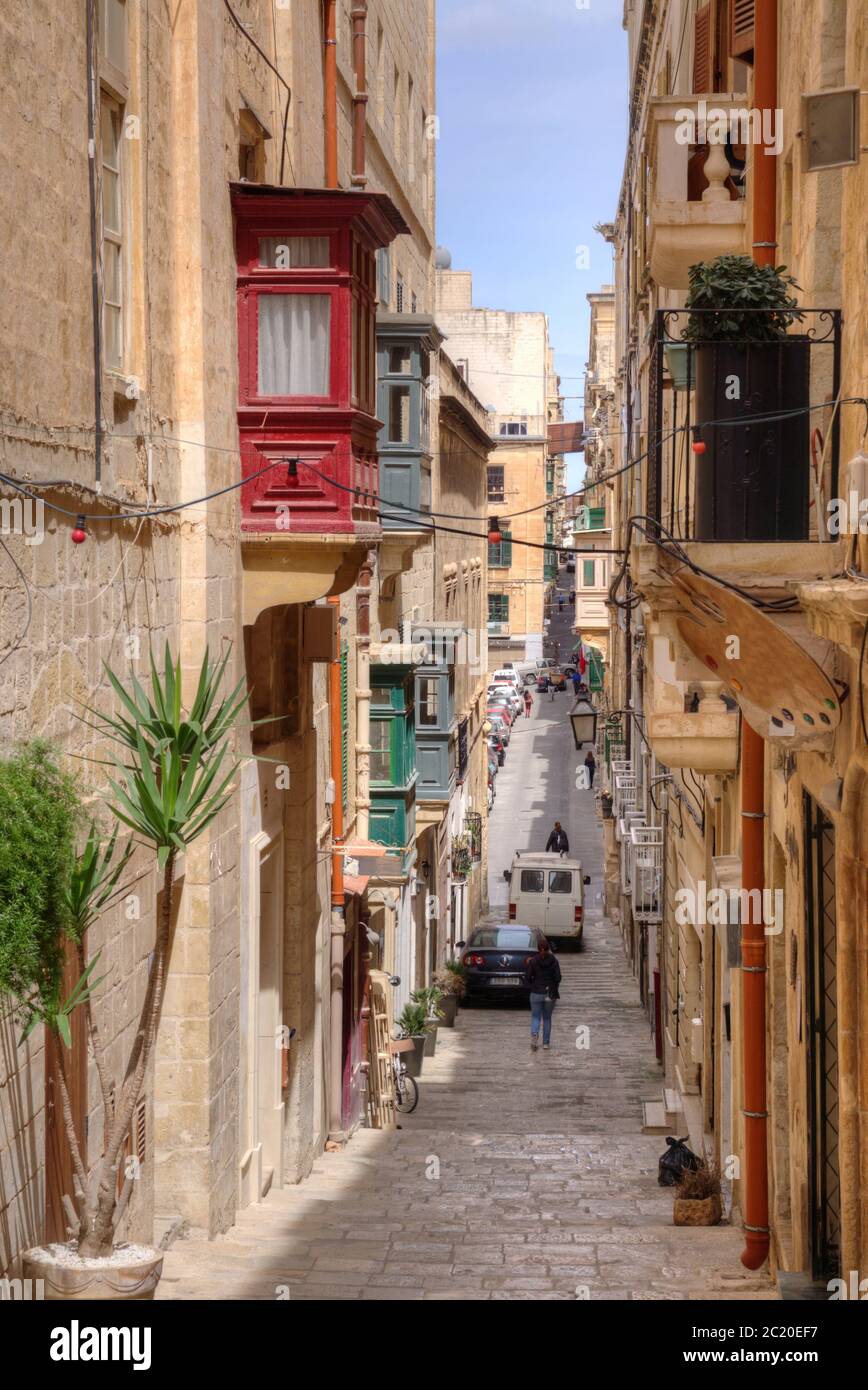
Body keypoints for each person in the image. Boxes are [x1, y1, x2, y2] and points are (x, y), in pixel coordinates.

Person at [525, 937, 561, 1051]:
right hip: (549, 993)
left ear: (538, 949)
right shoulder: (554, 960)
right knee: (547, 1018)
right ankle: (545, 1043)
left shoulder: (533, 961)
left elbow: (528, 976)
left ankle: (534, 1038)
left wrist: (533, 985)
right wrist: (553, 986)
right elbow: (558, 977)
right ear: (548, 948)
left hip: (536, 992)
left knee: (535, 1017)